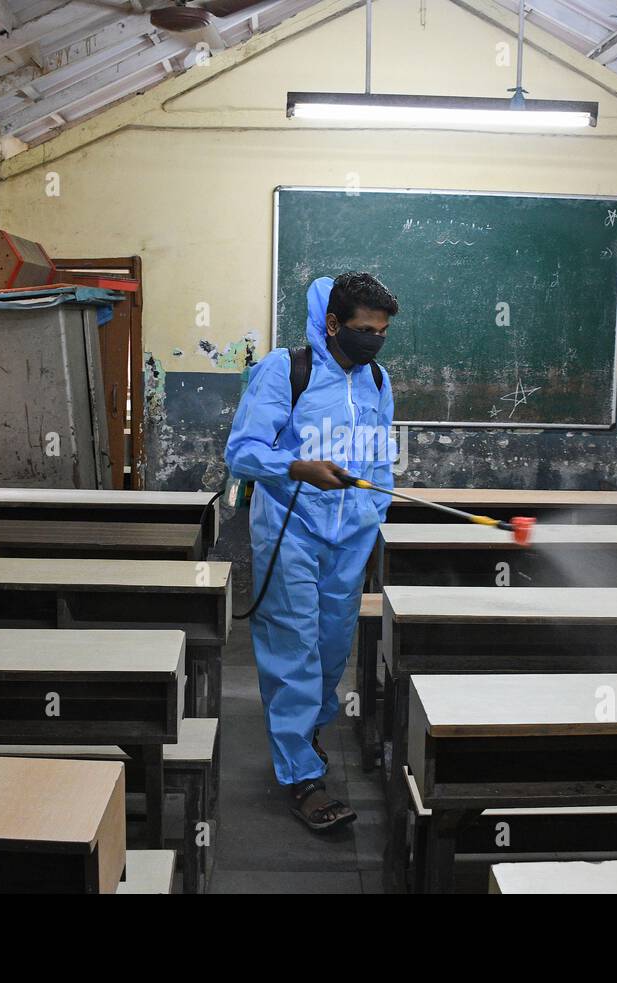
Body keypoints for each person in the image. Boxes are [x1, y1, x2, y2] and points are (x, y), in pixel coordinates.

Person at [225, 272, 398, 831]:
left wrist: (373, 522)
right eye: (364, 329)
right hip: (291, 530)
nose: (373, 340)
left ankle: (307, 731)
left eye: (381, 331)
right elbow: (243, 453)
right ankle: (301, 776)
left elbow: (379, 461)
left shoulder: (376, 378)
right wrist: (297, 467)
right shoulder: (286, 370)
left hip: (349, 541)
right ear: (332, 324)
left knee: (331, 648)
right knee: (294, 647)